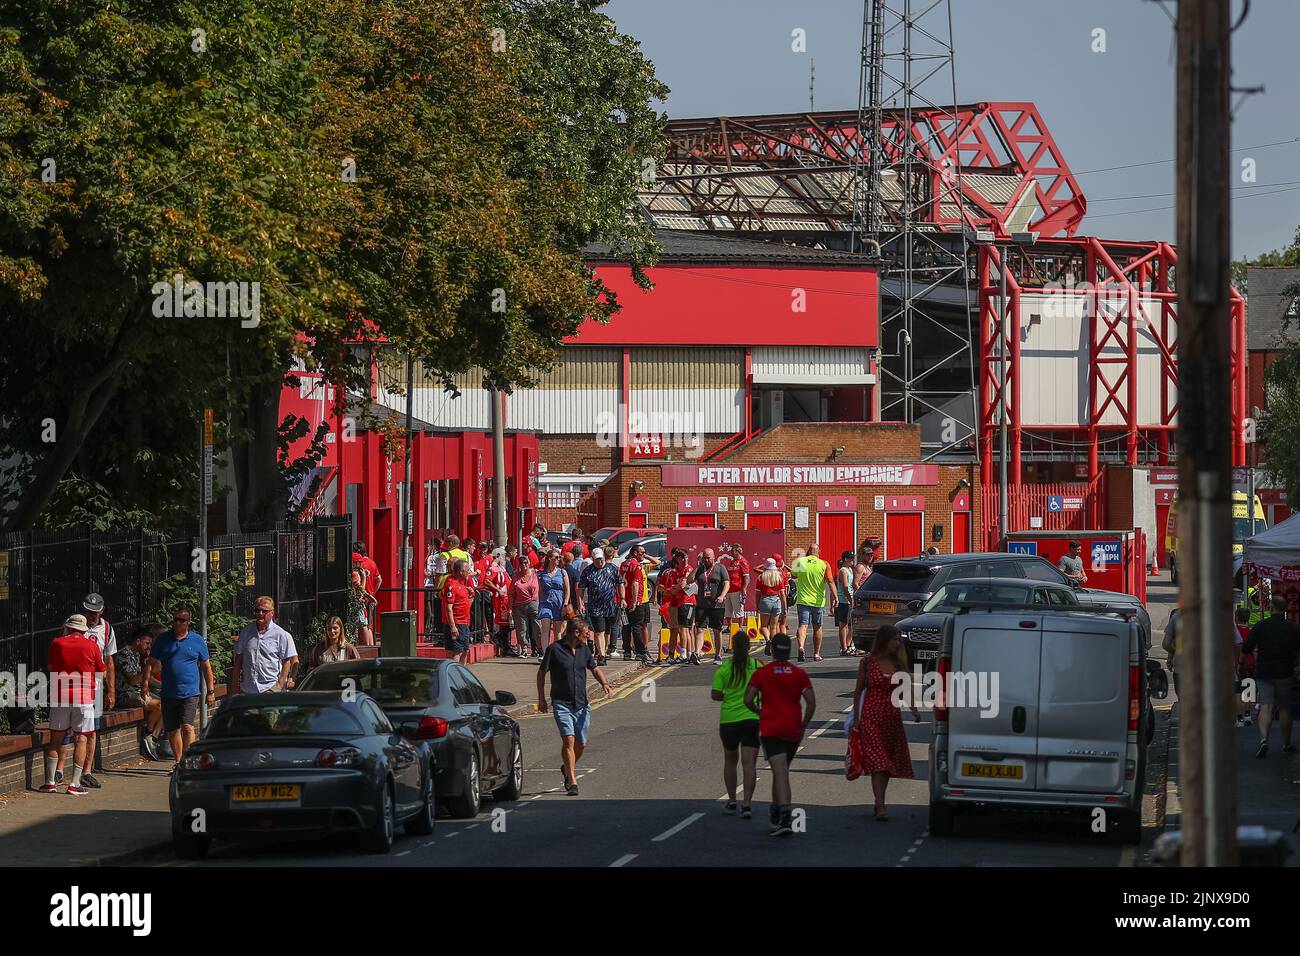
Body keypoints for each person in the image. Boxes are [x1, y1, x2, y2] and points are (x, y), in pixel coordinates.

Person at [744, 633, 815, 836]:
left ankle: (785, 817)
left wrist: (760, 712)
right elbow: (811, 702)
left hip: (771, 728)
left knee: (780, 771)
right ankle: (776, 808)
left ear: (773, 650)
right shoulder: (798, 673)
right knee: (782, 770)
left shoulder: (763, 673)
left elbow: (748, 699)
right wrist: (804, 723)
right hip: (794, 729)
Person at [536, 613, 612, 796]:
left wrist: (605, 684)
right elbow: (541, 674)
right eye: (586, 632)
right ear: (575, 632)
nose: (588, 635)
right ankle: (572, 780)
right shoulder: (554, 650)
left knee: (581, 743)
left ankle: (567, 767)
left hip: (581, 704)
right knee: (568, 740)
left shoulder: (584, 650)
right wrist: (541, 699)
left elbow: (594, 669)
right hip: (561, 703)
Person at [847, 624, 917, 821]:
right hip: (870, 716)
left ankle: (880, 800)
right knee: (879, 761)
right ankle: (880, 805)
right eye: (894, 639)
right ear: (885, 640)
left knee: (886, 764)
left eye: (898, 639)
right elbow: (859, 690)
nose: (897, 643)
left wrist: (913, 709)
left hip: (891, 718)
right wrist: (857, 719)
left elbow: (904, 690)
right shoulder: (868, 662)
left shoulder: (898, 663)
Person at [41, 614, 105, 794]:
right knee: (81, 738)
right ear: (84, 630)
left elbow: (51, 667)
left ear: (68, 627)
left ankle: (50, 782)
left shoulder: (58, 643)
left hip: (60, 695)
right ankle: (74, 784)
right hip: (84, 697)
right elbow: (101, 670)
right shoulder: (91, 645)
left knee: (56, 739)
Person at [142, 608, 216, 764]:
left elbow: (206, 667)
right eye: (175, 619)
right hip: (169, 692)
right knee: (173, 729)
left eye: (181, 620)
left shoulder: (197, 640)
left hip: (190, 692)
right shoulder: (163, 640)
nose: (177, 623)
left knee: (188, 727)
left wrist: (210, 691)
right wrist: (145, 684)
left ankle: (188, 760)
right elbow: (150, 663)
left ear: (188, 623)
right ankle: (178, 762)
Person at [62, 593, 116, 789]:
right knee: (68, 729)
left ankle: (86, 772)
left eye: (95, 612)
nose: (91, 615)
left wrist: (111, 691)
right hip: (73, 684)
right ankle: (60, 771)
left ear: (101, 610)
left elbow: (109, 661)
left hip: (96, 686)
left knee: (91, 731)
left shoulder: (107, 629)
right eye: (88, 611)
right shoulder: (74, 625)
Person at [1242, 594, 1300, 758]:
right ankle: (1286, 743)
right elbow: (1297, 650)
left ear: (1271, 608)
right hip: (1285, 673)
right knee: (1284, 708)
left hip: (1264, 672)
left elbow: (1246, 648)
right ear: (1285, 609)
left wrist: (1243, 662)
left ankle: (1263, 740)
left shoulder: (1261, 626)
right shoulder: (1292, 628)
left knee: (1266, 705)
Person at [712, 629, 762, 818]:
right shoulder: (758, 666)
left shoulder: (725, 669)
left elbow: (715, 694)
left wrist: (729, 697)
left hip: (729, 720)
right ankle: (747, 803)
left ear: (732, 647)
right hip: (751, 719)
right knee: (749, 764)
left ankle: (732, 801)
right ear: (749, 648)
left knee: (730, 762)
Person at [115, 625, 167, 759]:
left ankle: (152, 736)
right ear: (138, 641)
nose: (149, 647)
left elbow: (147, 677)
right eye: (147, 643)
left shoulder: (137, 654)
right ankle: (148, 734)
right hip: (126, 694)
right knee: (160, 705)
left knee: (169, 702)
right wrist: (149, 670)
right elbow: (132, 680)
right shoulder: (123, 654)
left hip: (138, 692)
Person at [232, 596, 299, 694]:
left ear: (272, 613)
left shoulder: (281, 634)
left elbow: (287, 661)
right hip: (249, 689)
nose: (260, 613)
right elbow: (239, 659)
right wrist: (234, 684)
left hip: (270, 689)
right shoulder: (246, 632)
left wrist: (279, 685)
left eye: (264, 611)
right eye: (257, 610)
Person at [791, 542, 836, 663]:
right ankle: (816, 654)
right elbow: (830, 581)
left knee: (803, 625)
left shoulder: (800, 561)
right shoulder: (824, 564)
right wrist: (835, 596)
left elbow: (793, 575)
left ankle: (801, 647)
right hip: (818, 602)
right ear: (818, 551)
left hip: (803, 600)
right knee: (817, 627)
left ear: (809, 551)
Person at [577, 547, 621, 666]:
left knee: (607, 631)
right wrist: (580, 602)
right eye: (597, 560)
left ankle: (604, 651)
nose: (599, 562)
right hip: (595, 606)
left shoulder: (612, 569)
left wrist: (622, 598)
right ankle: (601, 655)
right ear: (593, 559)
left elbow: (619, 583)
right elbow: (580, 588)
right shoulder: (588, 571)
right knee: (599, 631)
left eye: (601, 559)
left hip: (609, 605)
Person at [618, 542, 655, 663]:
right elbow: (635, 584)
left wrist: (622, 598)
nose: (644, 555)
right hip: (635, 602)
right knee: (637, 627)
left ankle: (627, 651)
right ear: (635, 553)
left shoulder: (623, 564)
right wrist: (635, 600)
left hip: (624, 600)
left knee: (626, 627)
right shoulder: (636, 566)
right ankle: (640, 652)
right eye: (642, 553)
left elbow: (620, 583)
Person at [659, 549, 697, 665]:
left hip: (688, 602)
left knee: (685, 628)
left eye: (686, 557)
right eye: (682, 557)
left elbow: (682, 585)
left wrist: (673, 589)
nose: (685, 559)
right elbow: (663, 588)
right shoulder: (674, 572)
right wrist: (671, 590)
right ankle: (674, 655)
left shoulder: (688, 569)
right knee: (675, 629)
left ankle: (687, 654)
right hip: (676, 603)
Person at [694, 548, 731, 665]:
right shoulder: (700, 568)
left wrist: (722, 595)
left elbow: (727, 582)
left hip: (716, 605)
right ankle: (697, 653)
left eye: (708, 558)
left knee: (716, 630)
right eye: (704, 558)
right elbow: (690, 580)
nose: (706, 560)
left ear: (714, 557)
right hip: (702, 604)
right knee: (700, 629)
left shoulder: (720, 567)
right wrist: (697, 567)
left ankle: (718, 655)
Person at [442, 559, 476, 665]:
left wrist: (471, 595)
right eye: (467, 570)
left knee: (464, 651)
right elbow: (448, 608)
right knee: (456, 652)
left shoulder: (462, 584)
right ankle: (453, 676)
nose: (469, 572)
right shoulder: (451, 584)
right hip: (456, 623)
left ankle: (461, 675)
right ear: (461, 571)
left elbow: (468, 604)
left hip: (464, 623)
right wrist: (452, 626)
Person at [537, 550, 569, 651]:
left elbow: (567, 589)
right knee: (545, 628)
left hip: (558, 603)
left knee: (557, 631)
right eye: (556, 557)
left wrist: (565, 603)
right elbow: (539, 591)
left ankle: (557, 653)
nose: (558, 559)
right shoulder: (541, 574)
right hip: (545, 603)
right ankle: (545, 653)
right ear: (550, 558)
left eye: (559, 557)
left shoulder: (562, 572)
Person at [755, 557, 788, 654]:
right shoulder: (779, 577)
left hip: (765, 600)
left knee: (764, 626)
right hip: (776, 601)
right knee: (774, 626)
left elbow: (757, 594)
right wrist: (784, 607)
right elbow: (782, 594)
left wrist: (757, 605)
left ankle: (767, 640)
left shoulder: (761, 577)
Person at [720, 543, 751, 641]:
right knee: (728, 610)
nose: (730, 552)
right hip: (729, 589)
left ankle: (740, 628)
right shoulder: (733, 561)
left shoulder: (743, 561)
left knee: (738, 610)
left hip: (738, 589)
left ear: (738, 551)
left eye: (732, 551)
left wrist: (744, 589)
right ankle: (729, 627)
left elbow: (746, 577)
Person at [510, 559, 541, 657]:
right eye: (521, 563)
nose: (523, 565)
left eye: (525, 562)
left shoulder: (535, 574)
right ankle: (524, 649)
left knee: (537, 628)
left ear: (529, 563)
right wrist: (510, 609)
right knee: (522, 628)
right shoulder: (516, 577)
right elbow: (511, 593)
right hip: (519, 606)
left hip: (534, 604)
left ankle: (540, 648)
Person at [835, 551, 857, 656]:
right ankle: (843, 647)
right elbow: (844, 587)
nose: (852, 560)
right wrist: (850, 599)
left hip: (851, 598)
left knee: (852, 624)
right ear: (845, 559)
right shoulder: (843, 571)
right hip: (844, 601)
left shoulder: (850, 570)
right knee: (843, 624)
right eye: (850, 558)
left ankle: (848, 644)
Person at [351, 558, 376, 646]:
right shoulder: (356, 573)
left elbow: (361, 590)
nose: (361, 564)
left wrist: (364, 578)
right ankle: (369, 646)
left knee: (363, 624)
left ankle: (368, 646)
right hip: (360, 602)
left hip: (359, 602)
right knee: (364, 624)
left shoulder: (356, 573)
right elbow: (361, 589)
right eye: (359, 562)